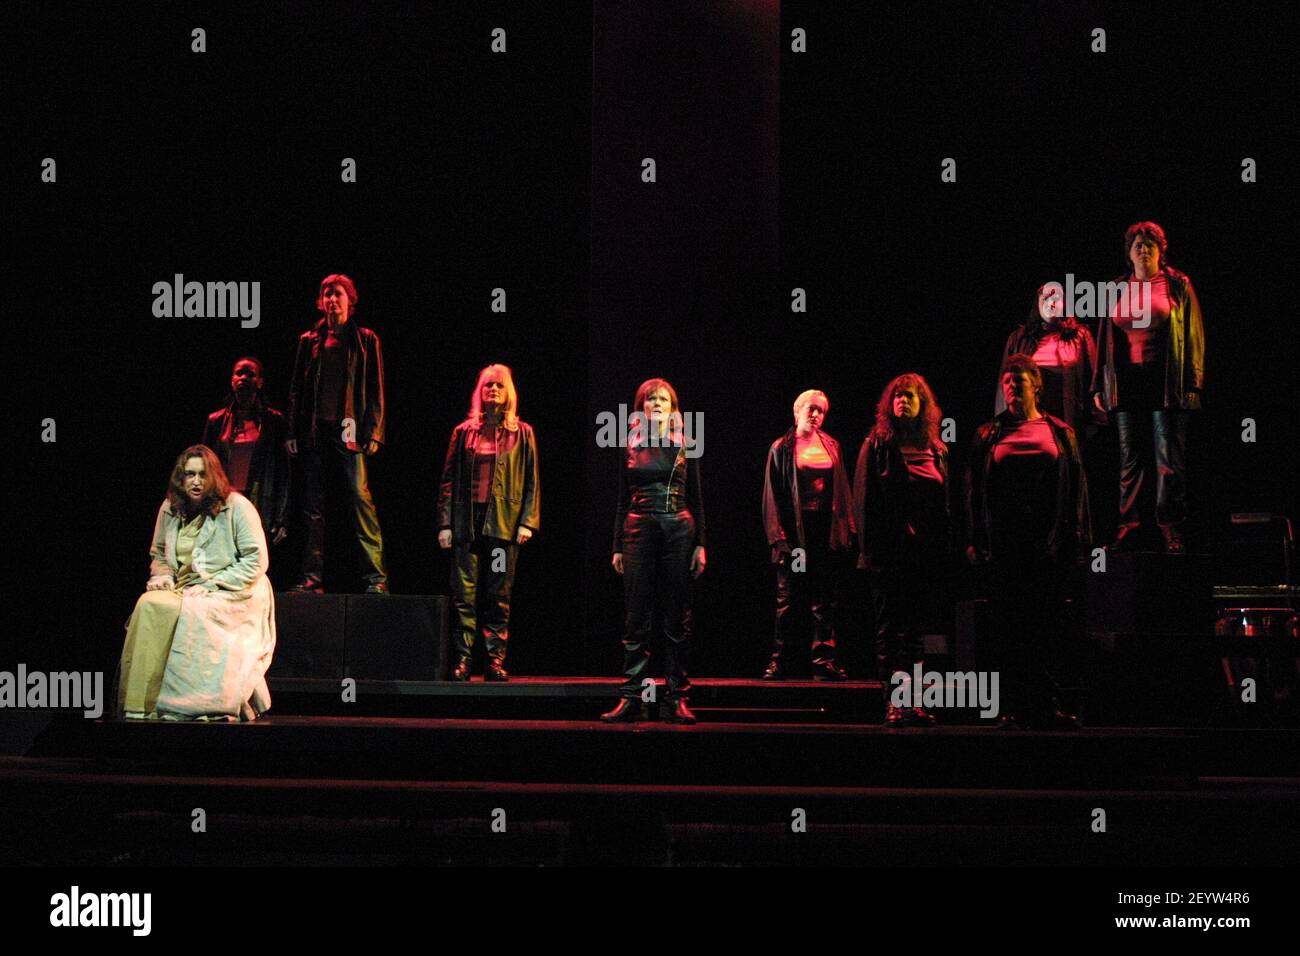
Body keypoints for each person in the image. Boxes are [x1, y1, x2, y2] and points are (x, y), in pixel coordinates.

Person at [967, 355, 1088, 729]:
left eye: (1018, 381)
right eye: (1006, 382)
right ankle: (1013, 707)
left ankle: (1048, 704)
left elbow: (1077, 488)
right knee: (1009, 625)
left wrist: (1079, 535)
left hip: (1047, 538)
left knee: (1047, 623)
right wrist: (974, 539)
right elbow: (972, 490)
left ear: (1036, 384)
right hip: (1005, 539)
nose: (1012, 388)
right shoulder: (988, 434)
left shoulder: (1060, 432)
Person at [116, 445, 276, 721]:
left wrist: (216, 583)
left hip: (235, 590)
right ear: (181, 477)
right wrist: (163, 577)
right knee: (149, 605)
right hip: (184, 587)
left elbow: (256, 561)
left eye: (202, 475)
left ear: (214, 476)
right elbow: (159, 553)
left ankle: (190, 703)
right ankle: (140, 704)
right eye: (190, 474)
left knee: (194, 613)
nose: (196, 481)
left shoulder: (236, 507)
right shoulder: (170, 508)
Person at [1091, 221, 1205, 554]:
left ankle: (1171, 526)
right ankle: (1130, 526)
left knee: (1168, 458)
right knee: (1130, 458)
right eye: (1137, 245)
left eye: (1150, 245)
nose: (1143, 250)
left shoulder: (1177, 284)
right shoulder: (1115, 288)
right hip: (1128, 383)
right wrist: (1099, 385)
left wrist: (1193, 383)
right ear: (1129, 253)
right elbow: (1104, 340)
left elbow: (1194, 335)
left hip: (1166, 381)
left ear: (1160, 251)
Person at [602, 378, 707, 724]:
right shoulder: (629, 443)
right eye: (650, 399)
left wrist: (701, 544)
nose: (657, 403)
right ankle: (635, 697)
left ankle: (676, 698)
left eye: (663, 398)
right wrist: (617, 544)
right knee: (637, 618)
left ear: (672, 406)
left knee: (676, 618)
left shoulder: (686, 442)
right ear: (641, 407)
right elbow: (620, 496)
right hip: (637, 528)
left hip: (678, 527)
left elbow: (697, 498)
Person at [855, 373, 951, 725]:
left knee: (916, 632)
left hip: (924, 554)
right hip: (889, 553)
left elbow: (944, 504)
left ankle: (915, 700)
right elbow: (863, 502)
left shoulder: (936, 448)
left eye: (909, 396)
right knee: (891, 629)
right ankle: (894, 702)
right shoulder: (877, 444)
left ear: (921, 403)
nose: (903, 401)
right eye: (897, 397)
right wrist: (869, 553)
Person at [286, 274, 390, 592]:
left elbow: (376, 388)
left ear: (350, 300)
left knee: (359, 499)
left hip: (349, 426)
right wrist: (293, 431)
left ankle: (377, 579)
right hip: (318, 427)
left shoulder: (365, 339)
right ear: (321, 301)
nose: (333, 300)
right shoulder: (309, 340)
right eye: (328, 295)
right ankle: (311, 578)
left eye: (339, 294)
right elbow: (296, 390)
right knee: (313, 504)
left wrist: (374, 431)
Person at [437, 364, 540, 682]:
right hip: (467, 524)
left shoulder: (522, 433)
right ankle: (463, 661)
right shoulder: (464, 432)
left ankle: (494, 661)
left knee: (498, 595)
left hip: (503, 525)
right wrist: (445, 524)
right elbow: (448, 481)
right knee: (463, 595)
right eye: (487, 386)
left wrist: (527, 522)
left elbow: (531, 481)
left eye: (498, 386)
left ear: (508, 391)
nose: (493, 390)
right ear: (479, 392)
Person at [760, 389, 854, 681]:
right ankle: (780, 661)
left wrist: (847, 528)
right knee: (788, 598)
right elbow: (771, 496)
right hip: (796, 532)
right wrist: (779, 538)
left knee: (824, 599)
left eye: (821, 410)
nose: (816, 414)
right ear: (797, 410)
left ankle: (823, 661)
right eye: (811, 408)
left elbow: (843, 490)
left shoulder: (832, 446)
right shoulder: (782, 447)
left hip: (824, 531)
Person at [202, 356, 290, 546]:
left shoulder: (274, 422)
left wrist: (281, 516)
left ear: (260, 382)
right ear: (232, 381)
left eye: (250, 374)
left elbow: (283, 474)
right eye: (239, 373)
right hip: (224, 499)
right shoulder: (216, 422)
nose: (243, 378)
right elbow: (205, 468)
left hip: (258, 500)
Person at [996, 284, 1102, 436]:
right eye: (1045, 298)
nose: (1050, 303)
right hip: (1029, 414)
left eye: (1056, 298)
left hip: (1069, 413)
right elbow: (1005, 382)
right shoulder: (1018, 338)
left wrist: (1095, 418)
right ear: (1037, 304)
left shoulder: (1081, 335)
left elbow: (1094, 379)